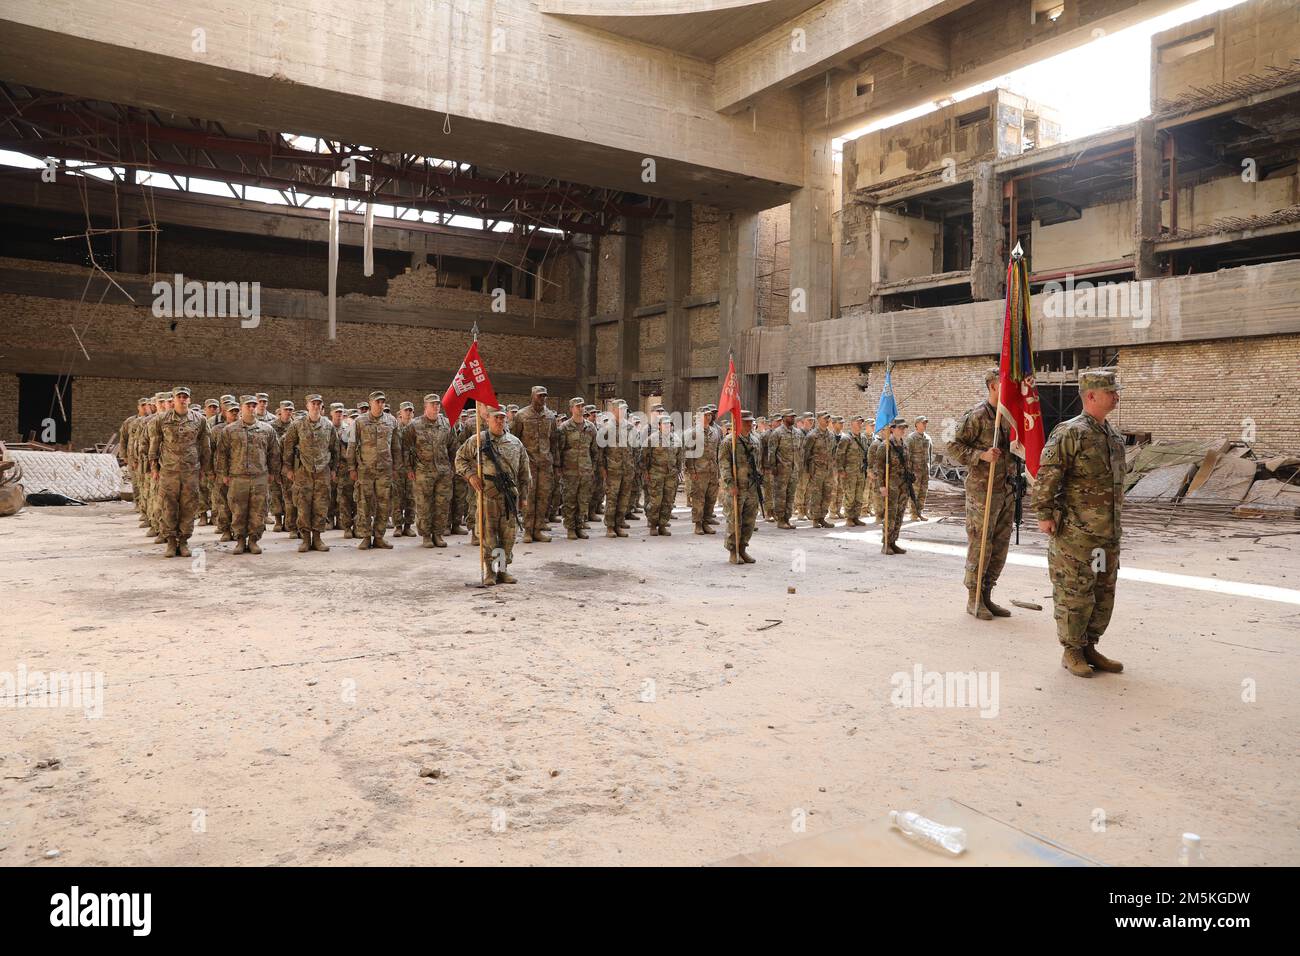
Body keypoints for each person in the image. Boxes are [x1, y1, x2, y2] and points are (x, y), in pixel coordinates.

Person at [1034, 368, 1127, 678]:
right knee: (1074, 592)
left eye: (1116, 391)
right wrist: (1045, 514)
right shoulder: (1069, 432)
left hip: (1106, 535)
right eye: (1110, 392)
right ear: (1091, 396)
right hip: (1076, 534)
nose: (1116, 396)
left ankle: (1090, 646)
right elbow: (1048, 475)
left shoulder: (1111, 435)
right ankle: (1071, 650)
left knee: (1103, 592)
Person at [950, 368, 1014, 620]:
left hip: (1005, 489)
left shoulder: (1008, 416)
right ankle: (973, 598)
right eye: (1004, 383)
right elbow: (953, 445)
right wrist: (981, 455)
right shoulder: (977, 415)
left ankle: (987, 594)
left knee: (999, 546)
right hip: (982, 490)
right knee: (981, 544)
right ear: (993, 386)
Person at [456, 406, 531, 586]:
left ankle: (503, 571)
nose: (499, 421)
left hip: (509, 498)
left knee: (508, 537)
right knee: (488, 536)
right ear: (487, 419)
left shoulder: (515, 442)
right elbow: (460, 459)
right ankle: (489, 571)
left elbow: (524, 471)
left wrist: (524, 496)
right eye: (496, 417)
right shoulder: (478, 441)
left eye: (502, 418)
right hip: (487, 497)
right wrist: (471, 475)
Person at [147, 386, 212, 558]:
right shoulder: (161, 419)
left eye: (185, 397)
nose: (182, 400)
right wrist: (154, 468)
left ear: (189, 400)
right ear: (173, 400)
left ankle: (183, 541)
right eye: (179, 397)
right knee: (168, 507)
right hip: (169, 471)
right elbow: (154, 445)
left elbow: (205, 447)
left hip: (191, 471)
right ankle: (170, 541)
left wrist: (204, 470)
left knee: (188, 507)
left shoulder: (199, 419)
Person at [215, 395, 280, 555]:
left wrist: (272, 472)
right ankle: (239, 540)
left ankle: (253, 540)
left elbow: (274, 453)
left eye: (253, 406)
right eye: (248, 406)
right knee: (238, 510)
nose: (251, 409)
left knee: (258, 511)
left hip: (259, 477)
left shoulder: (267, 429)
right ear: (241, 408)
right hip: (238, 477)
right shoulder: (229, 430)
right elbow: (222, 454)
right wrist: (223, 474)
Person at [281, 394, 339, 553]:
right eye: (313, 403)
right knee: (303, 505)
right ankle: (306, 539)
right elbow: (288, 448)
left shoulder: (328, 426)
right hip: (303, 472)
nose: (315, 406)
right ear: (307, 405)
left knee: (321, 505)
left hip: (322, 471)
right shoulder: (297, 425)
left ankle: (318, 538)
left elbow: (335, 450)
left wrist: (334, 469)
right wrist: (289, 469)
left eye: (318, 404)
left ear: (322, 406)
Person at [348, 390, 401, 550]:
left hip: (385, 470)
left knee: (384, 505)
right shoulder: (360, 421)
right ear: (370, 403)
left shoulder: (391, 421)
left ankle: (379, 536)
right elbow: (352, 445)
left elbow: (396, 446)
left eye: (382, 401)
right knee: (364, 504)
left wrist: (396, 467)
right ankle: (365, 536)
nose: (380, 404)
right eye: (377, 401)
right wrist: (352, 467)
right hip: (365, 470)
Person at [405, 393, 456, 548]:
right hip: (423, 471)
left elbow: (453, 447)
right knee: (424, 505)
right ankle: (426, 535)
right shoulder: (414, 425)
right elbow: (406, 447)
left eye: (438, 404)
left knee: (442, 504)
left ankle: (438, 534)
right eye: (432, 404)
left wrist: (453, 466)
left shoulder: (447, 424)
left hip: (443, 471)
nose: (436, 407)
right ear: (425, 406)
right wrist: (409, 468)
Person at [511, 385, 559, 543]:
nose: (542, 398)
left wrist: (556, 464)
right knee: (529, 497)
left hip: (545, 464)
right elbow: (514, 440)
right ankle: (527, 530)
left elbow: (553, 441)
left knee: (543, 497)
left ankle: (538, 529)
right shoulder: (521, 415)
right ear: (532, 396)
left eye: (544, 396)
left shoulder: (550, 416)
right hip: (528, 464)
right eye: (539, 396)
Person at [719, 410, 762, 564]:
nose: (750, 424)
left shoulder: (756, 440)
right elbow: (724, 465)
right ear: (737, 422)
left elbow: (759, 463)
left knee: (749, 521)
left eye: (751, 421)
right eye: (746, 422)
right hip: (736, 487)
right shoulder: (728, 442)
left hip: (751, 487)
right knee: (734, 520)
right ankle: (733, 550)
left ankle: (743, 548)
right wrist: (730, 484)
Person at [556, 397, 597, 540]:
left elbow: (594, 451)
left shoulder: (590, 427)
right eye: (578, 406)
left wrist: (593, 468)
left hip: (586, 471)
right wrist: (560, 469)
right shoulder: (564, 428)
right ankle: (570, 528)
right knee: (570, 500)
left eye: (582, 406)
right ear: (571, 409)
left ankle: (580, 526)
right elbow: (559, 450)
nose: (581, 408)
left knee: (583, 500)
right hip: (570, 471)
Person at [870, 417, 910, 555]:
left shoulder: (904, 445)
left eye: (904, 428)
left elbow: (907, 465)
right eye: (900, 428)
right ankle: (886, 543)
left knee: (899, 515)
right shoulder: (885, 446)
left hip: (903, 486)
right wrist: (881, 486)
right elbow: (878, 468)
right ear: (892, 429)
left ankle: (893, 542)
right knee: (890, 515)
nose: (903, 430)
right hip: (891, 486)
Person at [643, 416, 683, 536]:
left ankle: (662, 525)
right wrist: (646, 472)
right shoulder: (652, 439)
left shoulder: (676, 439)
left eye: (669, 424)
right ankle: (653, 525)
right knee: (656, 501)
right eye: (664, 424)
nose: (667, 426)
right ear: (659, 426)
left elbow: (679, 457)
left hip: (671, 475)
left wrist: (678, 472)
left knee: (668, 501)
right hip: (656, 474)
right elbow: (644, 456)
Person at [601, 401, 635, 538]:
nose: (623, 412)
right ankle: (610, 526)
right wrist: (602, 469)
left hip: (627, 469)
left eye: (625, 409)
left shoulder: (630, 428)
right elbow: (600, 451)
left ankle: (619, 524)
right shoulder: (606, 428)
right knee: (612, 499)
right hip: (612, 470)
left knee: (624, 498)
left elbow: (634, 449)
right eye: (621, 409)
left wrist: (632, 466)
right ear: (613, 410)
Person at [802, 411, 836, 528]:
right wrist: (806, 471)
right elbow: (805, 453)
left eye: (828, 418)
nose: (827, 420)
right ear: (818, 420)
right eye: (824, 418)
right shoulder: (812, 435)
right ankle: (815, 519)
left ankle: (822, 517)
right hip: (816, 470)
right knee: (816, 494)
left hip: (828, 470)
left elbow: (833, 452)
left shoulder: (831, 435)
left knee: (827, 494)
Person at [836, 415, 870, 527]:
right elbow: (839, 455)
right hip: (849, 472)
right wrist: (840, 470)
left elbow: (866, 454)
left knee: (859, 495)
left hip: (860, 471)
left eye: (861, 423)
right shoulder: (846, 438)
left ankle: (856, 517)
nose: (860, 425)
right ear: (852, 424)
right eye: (858, 422)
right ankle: (849, 518)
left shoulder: (864, 438)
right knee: (850, 495)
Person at [905, 416, 933, 520]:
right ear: (917, 424)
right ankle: (913, 513)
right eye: (923, 423)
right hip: (915, 471)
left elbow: (930, 455)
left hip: (925, 470)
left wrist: (930, 468)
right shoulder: (911, 438)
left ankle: (919, 512)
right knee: (914, 492)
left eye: (925, 423)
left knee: (923, 492)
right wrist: (908, 471)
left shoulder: (928, 438)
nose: (925, 425)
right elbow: (907, 455)